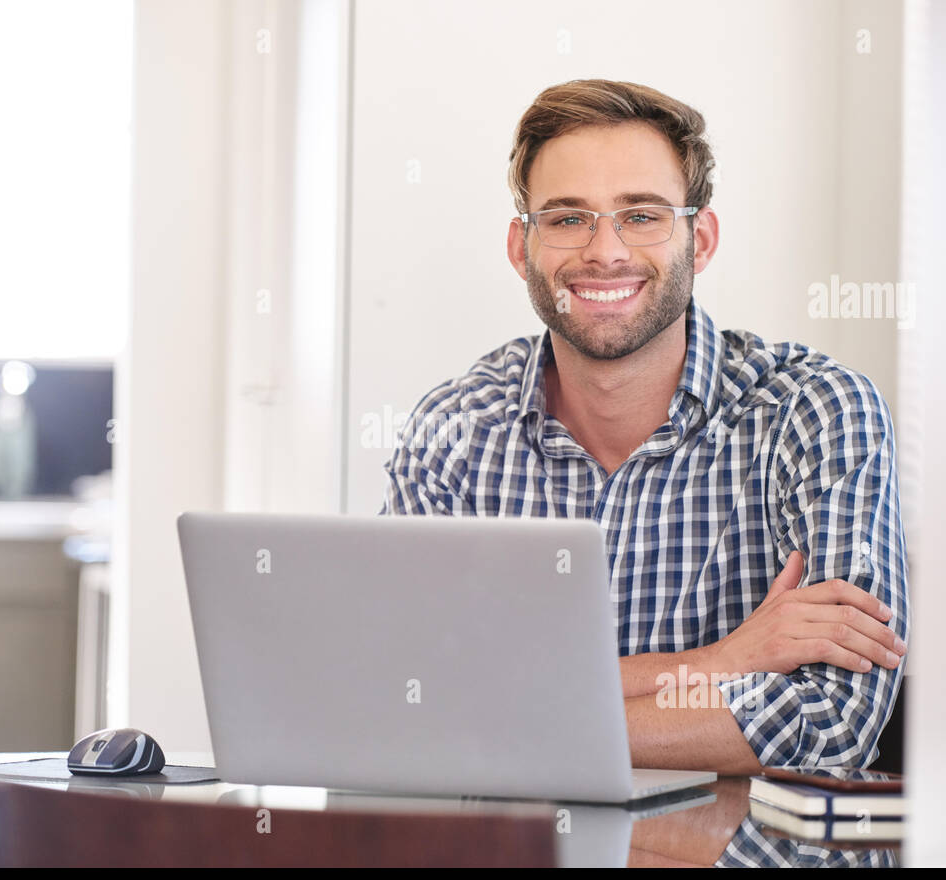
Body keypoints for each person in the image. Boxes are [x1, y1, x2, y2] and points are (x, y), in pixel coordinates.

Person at [379, 79, 909, 774]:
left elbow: (832, 720)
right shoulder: (451, 433)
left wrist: (505, 721)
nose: (605, 251)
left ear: (702, 236)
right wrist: (719, 664)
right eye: (569, 218)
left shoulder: (817, 414)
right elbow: (403, 706)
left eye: (641, 215)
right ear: (521, 247)